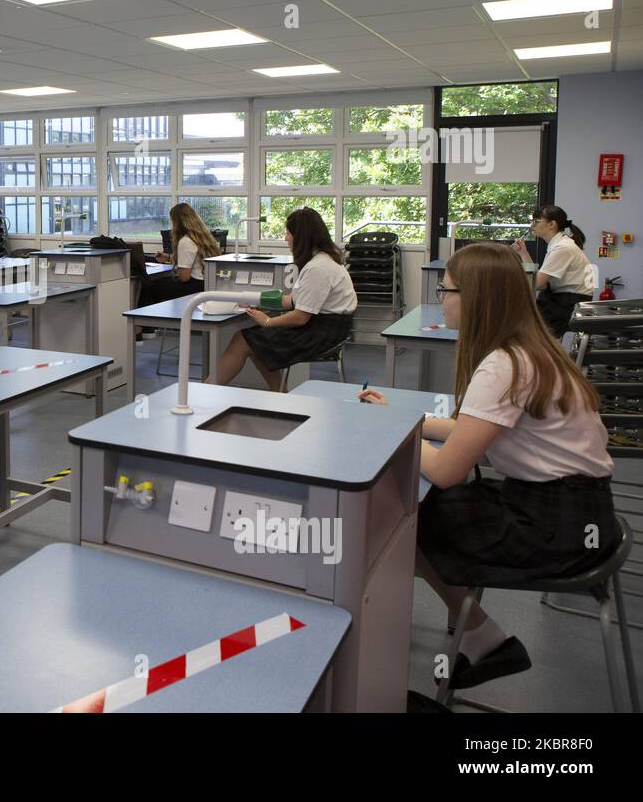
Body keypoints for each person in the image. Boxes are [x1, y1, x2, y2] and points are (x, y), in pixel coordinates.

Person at [360, 243, 618, 690]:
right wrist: (403, 419)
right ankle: (482, 637)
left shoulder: (503, 366)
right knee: (421, 515)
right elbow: (470, 429)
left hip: (555, 528)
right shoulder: (529, 350)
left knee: (404, 522)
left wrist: (396, 436)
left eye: (447, 290)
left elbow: (446, 471)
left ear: (476, 297)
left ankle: (480, 638)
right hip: (582, 512)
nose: (441, 298)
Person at [211, 207, 356, 391]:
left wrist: (268, 321)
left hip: (320, 335)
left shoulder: (318, 268)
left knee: (243, 339)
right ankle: (278, 392)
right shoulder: (322, 261)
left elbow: (300, 317)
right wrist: (253, 299)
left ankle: (208, 389)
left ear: (301, 237)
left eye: (288, 233)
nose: (286, 238)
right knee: (256, 341)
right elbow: (291, 301)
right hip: (326, 328)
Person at [134, 203, 222, 341]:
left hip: (193, 287)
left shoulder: (185, 241)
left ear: (178, 222)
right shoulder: (205, 238)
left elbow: (184, 277)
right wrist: (169, 258)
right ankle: (148, 327)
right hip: (206, 284)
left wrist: (176, 271)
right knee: (159, 286)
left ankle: (140, 329)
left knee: (149, 286)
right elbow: (195, 262)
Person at [511, 205, 593, 340]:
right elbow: (541, 283)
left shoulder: (562, 248)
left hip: (568, 302)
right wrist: (523, 253)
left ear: (552, 224)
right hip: (560, 298)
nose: (532, 225)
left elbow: (538, 283)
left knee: (524, 331)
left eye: (536, 221)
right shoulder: (557, 244)